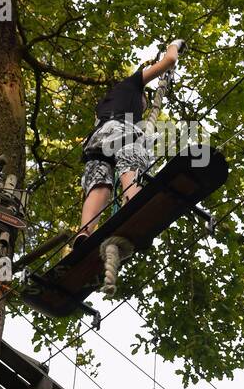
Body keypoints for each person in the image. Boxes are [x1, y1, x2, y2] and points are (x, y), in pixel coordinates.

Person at [74, 41, 182, 246]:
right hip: (120, 130)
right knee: (131, 162)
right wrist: (174, 45)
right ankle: (134, 205)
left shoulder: (103, 105)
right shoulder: (133, 83)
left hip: (97, 138)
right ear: (140, 94)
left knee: (99, 182)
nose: (144, 106)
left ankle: (85, 231)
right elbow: (170, 60)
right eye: (145, 102)